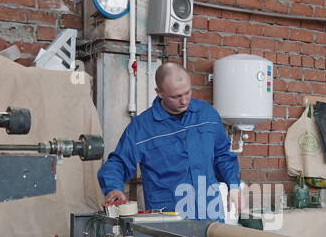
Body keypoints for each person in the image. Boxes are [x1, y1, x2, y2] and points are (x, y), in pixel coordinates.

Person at [98, 62, 240, 220]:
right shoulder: (142, 128)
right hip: (168, 218)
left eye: (187, 92)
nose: (184, 101)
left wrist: (233, 184)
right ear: (159, 93)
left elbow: (222, 155)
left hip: (209, 213)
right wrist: (113, 188)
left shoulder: (207, 115)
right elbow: (118, 163)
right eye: (176, 96)